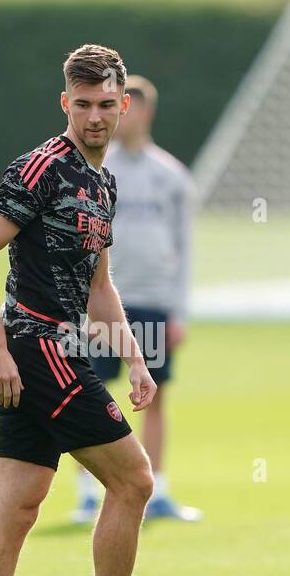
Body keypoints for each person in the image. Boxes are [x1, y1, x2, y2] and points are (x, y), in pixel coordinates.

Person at [0, 44, 188, 576]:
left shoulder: (103, 182)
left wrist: (136, 361)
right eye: (82, 105)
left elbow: (100, 287)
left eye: (106, 105)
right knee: (135, 481)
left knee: (19, 505)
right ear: (65, 104)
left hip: (54, 353)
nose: (94, 118)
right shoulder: (39, 169)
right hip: (39, 351)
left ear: (124, 105)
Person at [72, 74, 201, 524]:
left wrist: (179, 312)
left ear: (144, 112)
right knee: (89, 392)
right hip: (101, 302)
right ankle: (88, 493)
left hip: (152, 301)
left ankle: (158, 489)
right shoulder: (97, 171)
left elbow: (185, 249)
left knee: (156, 393)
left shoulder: (170, 176)